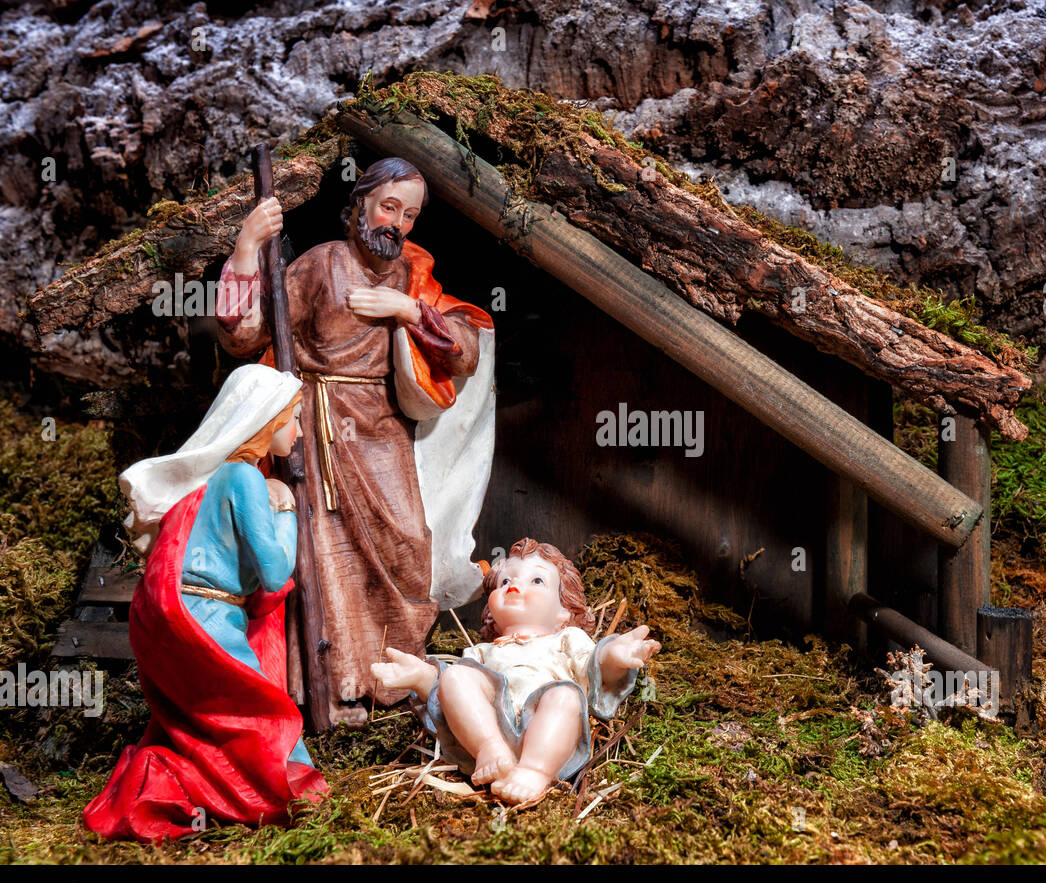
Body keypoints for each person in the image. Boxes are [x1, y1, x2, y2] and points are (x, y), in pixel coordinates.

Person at [215, 156, 495, 725]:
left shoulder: (412, 273)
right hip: (314, 427)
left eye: (409, 214)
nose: (397, 223)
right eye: (389, 206)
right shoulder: (321, 264)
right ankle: (326, 688)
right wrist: (247, 247)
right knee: (319, 552)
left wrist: (409, 311)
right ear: (361, 204)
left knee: (407, 545)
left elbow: (465, 349)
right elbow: (245, 338)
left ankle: (390, 681)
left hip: (382, 426)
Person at [84, 364, 328, 841]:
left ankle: (168, 782)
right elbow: (275, 572)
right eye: (294, 418)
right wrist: (287, 512)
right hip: (208, 617)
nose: (298, 433)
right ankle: (299, 792)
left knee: (196, 721)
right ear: (268, 420)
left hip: (177, 613)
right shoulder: (244, 478)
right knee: (261, 707)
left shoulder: (212, 480)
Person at [371, 537, 660, 805]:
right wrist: (423, 677)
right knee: (455, 675)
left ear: (563, 612)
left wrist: (613, 656)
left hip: (549, 732)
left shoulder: (567, 639)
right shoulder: (482, 652)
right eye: (506, 580)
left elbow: (593, 671)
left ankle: (534, 771)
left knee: (565, 695)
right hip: (490, 727)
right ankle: (490, 749)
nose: (513, 586)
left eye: (536, 580)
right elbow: (453, 699)